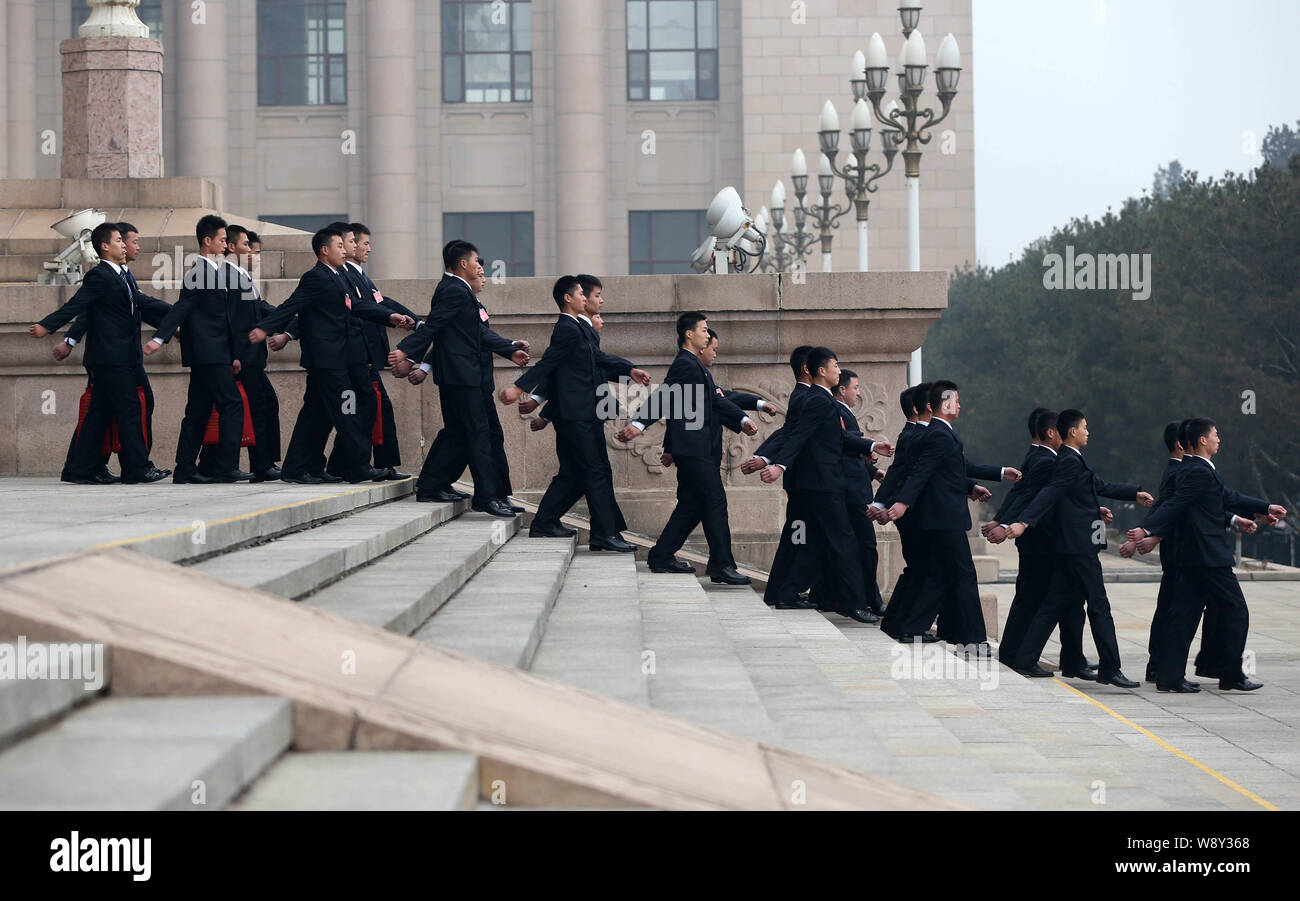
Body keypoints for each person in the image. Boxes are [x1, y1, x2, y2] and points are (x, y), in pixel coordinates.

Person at [1128, 418, 1284, 692]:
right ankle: (1231, 674)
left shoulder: (1193, 469)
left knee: (1184, 616)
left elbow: (1224, 498)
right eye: (1215, 434)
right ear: (1202, 440)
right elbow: (1175, 504)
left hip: (1192, 557)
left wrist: (1263, 507)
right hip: (1208, 557)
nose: (1218, 439)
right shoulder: (1198, 471)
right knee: (1236, 611)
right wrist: (1147, 528)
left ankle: (1169, 677)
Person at [249, 227, 410, 484]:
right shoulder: (315, 277)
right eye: (339, 245)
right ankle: (356, 467)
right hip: (327, 360)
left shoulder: (338, 277)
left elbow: (356, 306)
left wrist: (387, 316)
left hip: (338, 359)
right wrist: (264, 328)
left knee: (317, 414)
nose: (345, 250)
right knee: (349, 410)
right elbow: (293, 305)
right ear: (325, 250)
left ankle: (302, 467)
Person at [500, 276, 648, 548]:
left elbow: (597, 361)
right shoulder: (566, 329)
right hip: (575, 415)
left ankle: (546, 522)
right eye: (581, 293)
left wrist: (628, 369)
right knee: (595, 471)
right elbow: (550, 364)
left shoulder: (581, 329)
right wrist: (519, 389)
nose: (586, 297)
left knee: (576, 472)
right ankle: (604, 535)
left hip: (584, 413)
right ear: (568, 298)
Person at [1005, 409, 1152, 685]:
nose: (1088, 431)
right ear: (1072, 431)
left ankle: (1025, 659)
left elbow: (1098, 486)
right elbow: (1049, 495)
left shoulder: (1072, 460)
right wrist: (1024, 522)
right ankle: (1111, 668)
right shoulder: (1069, 461)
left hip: (1070, 546)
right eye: (1084, 427)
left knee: (1054, 603)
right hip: (1079, 547)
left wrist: (1134, 492)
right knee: (1099, 605)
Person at [618, 314, 757, 583]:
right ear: (689, 335)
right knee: (715, 502)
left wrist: (670, 445)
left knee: (692, 506)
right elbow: (665, 396)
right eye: (704, 330)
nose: (708, 334)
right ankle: (721, 565)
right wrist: (639, 423)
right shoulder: (686, 363)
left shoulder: (695, 365)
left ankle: (661, 556)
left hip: (694, 448)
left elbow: (691, 408)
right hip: (695, 450)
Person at [881, 380, 1018, 649]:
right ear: (944, 404)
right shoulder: (939, 434)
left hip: (941, 517)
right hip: (944, 519)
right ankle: (973, 641)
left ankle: (917, 627)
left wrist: (996, 474)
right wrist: (902, 503)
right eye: (955, 400)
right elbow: (920, 473)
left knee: (939, 574)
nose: (960, 405)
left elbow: (951, 469)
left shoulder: (939, 433)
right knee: (962, 575)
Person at [388, 241, 524, 514]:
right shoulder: (454, 290)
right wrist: (406, 351)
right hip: (462, 377)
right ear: (463, 263)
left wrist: (510, 349)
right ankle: (488, 496)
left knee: (463, 433)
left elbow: (476, 334)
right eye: (476, 261)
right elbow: (435, 327)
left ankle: (433, 485)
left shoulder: (462, 292)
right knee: (479, 434)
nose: (480, 266)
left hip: (469, 376)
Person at [29, 222, 169, 484]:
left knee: (99, 414)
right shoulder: (100, 276)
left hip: (119, 356)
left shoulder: (122, 276)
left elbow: (143, 304)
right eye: (119, 240)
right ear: (105, 246)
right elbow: (78, 305)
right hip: (110, 357)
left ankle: (79, 469)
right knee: (128, 410)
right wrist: (47, 326)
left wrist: (176, 317)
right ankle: (136, 468)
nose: (124, 245)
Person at [757, 348, 881, 622]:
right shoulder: (818, 400)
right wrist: (779, 465)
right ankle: (851, 603)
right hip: (823, 485)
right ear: (821, 371)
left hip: (820, 484)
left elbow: (837, 438)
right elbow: (798, 435)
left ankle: (787, 591)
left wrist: (871, 445)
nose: (839, 370)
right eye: (835, 366)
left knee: (811, 541)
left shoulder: (818, 399)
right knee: (843, 542)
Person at [144, 215, 250, 484]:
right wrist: (159, 338)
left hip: (213, 353)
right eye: (223, 240)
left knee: (198, 411)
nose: (226, 245)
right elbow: (181, 308)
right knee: (232, 403)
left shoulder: (216, 271)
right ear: (207, 241)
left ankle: (185, 468)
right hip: (208, 352)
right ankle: (225, 467)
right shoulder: (199, 272)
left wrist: (234, 353)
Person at [985, 409, 1092, 673]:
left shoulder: (1037, 456)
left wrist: (1001, 520)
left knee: (1051, 600)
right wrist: (1008, 524)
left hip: (1038, 541)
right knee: (1038, 600)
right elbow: (1034, 498)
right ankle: (1025, 657)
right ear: (1051, 433)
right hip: (1042, 543)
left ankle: (1059, 657)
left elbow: (1020, 493)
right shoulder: (1046, 461)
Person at [197, 224, 285, 481]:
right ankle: (260, 463)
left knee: (260, 404)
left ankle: (214, 463)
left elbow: (261, 309)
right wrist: (236, 355)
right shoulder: (228, 276)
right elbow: (234, 322)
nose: (252, 253)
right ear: (232, 247)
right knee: (258, 405)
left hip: (249, 355)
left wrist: (289, 324)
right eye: (247, 246)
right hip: (244, 356)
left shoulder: (240, 276)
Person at [739, 346, 817, 608]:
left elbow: (788, 433)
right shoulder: (805, 396)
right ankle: (787, 592)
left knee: (795, 536)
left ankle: (778, 590)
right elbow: (793, 435)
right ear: (809, 368)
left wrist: (765, 457)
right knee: (802, 536)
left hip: (801, 481)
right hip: (806, 482)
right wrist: (772, 461)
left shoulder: (804, 395)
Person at [340, 221, 419, 480]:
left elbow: (382, 302)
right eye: (362, 243)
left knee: (365, 409)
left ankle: (346, 464)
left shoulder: (360, 276)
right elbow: (365, 309)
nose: (367, 249)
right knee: (367, 407)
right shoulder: (344, 276)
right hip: (356, 355)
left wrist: (412, 319)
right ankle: (361, 464)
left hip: (367, 355)